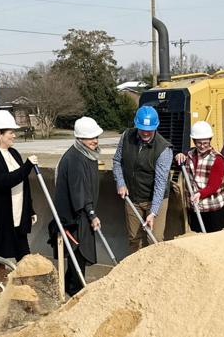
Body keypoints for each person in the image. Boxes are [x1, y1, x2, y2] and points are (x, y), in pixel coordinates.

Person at [0, 110, 38, 283]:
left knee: (24, 255)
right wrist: (27, 167)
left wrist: (30, 209)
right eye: (10, 132)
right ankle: (0, 294)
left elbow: (24, 184)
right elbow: (1, 181)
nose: (14, 136)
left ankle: (30, 297)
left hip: (18, 215)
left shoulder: (14, 153)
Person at [51, 117, 103, 296]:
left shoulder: (86, 154)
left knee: (79, 256)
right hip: (74, 217)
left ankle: (73, 285)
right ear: (80, 139)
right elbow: (79, 191)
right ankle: (75, 291)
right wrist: (91, 213)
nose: (95, 141)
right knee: (77, 254)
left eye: (96, 137)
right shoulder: (74, 159)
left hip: (82, 213)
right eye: (91, 138)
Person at [113, 106, 172, 251]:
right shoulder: (126, 137)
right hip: (133, 196)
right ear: (136, 125)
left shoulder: (163, 150)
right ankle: (136, 270)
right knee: (134, 237)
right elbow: (116, 161)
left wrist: (153, 213)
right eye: (142, 128)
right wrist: (120, 183)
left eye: (149, 129)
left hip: (155, 198)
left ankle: (155, 270)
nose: (145, 132)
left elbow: (160, 184)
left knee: (155, 239)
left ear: (156, 126)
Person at [175, 121, 224, 232]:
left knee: (214, 239)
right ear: (194, 141)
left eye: (205, 143)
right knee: (198, 239)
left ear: (210, 140)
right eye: (199, 143)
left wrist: (200, 194)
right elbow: (178, 165)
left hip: (213, 208)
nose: (202, 146)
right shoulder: (189, 155)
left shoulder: (217, 159)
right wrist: (178, 156)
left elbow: (214, 185)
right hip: (195, 207)